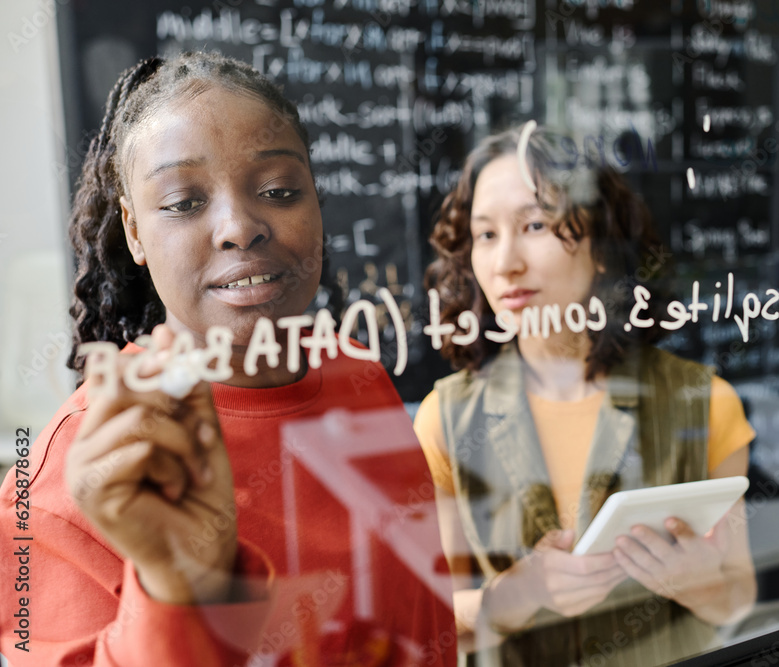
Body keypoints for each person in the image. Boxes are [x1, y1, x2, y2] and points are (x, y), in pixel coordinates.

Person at [0, 51, 455, 667]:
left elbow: (420, 621)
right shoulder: (81, 473)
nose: (239, 227)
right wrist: (179, 586)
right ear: (133, 231)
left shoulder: (357, 376)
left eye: (279, 190)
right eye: (184, 202)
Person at [414, 123, 757, 665]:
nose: (505, 263)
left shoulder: (706, 402)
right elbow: (427, 629)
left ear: (600, 243)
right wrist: (520, 593)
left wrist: (699, 583)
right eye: (486, 235)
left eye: (535, 224)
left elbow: (739, 598)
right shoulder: (445, 420)